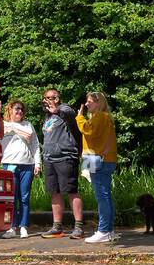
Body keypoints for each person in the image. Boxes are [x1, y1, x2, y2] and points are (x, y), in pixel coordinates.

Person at [38, 88, 84, 239]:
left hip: (65, 157)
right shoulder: (47, 117)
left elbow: (70, 116)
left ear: (57, 98)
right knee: (54, 193)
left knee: (71, 191)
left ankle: (78, 227)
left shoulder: (64, 109)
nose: (46, 101)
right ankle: (57, 226)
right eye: (45, 98)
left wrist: (57, 110)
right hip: (50, 158)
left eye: (49, 98)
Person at [76, 91, 119, 243]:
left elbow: (88, 131)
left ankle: (104, 231)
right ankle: (109, 230)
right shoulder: (102, 117)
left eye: (89, 101)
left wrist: (79, 117)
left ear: (98, 102)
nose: (86, 104)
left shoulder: (100, 116)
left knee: (102, 196)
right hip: (97, 158)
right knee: (105, 194)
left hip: (97, 159)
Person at [0, 100, 41, 238]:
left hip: (27, 164)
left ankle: (23, 226)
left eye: (22, 109)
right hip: (9, 163)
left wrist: (37, 163)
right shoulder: (3, 125)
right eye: (17, 109)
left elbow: (35, 144)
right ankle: (11, 227)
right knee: (11, 197)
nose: (20, 112)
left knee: (24, 196)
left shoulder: (28, 125)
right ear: (10, 110)